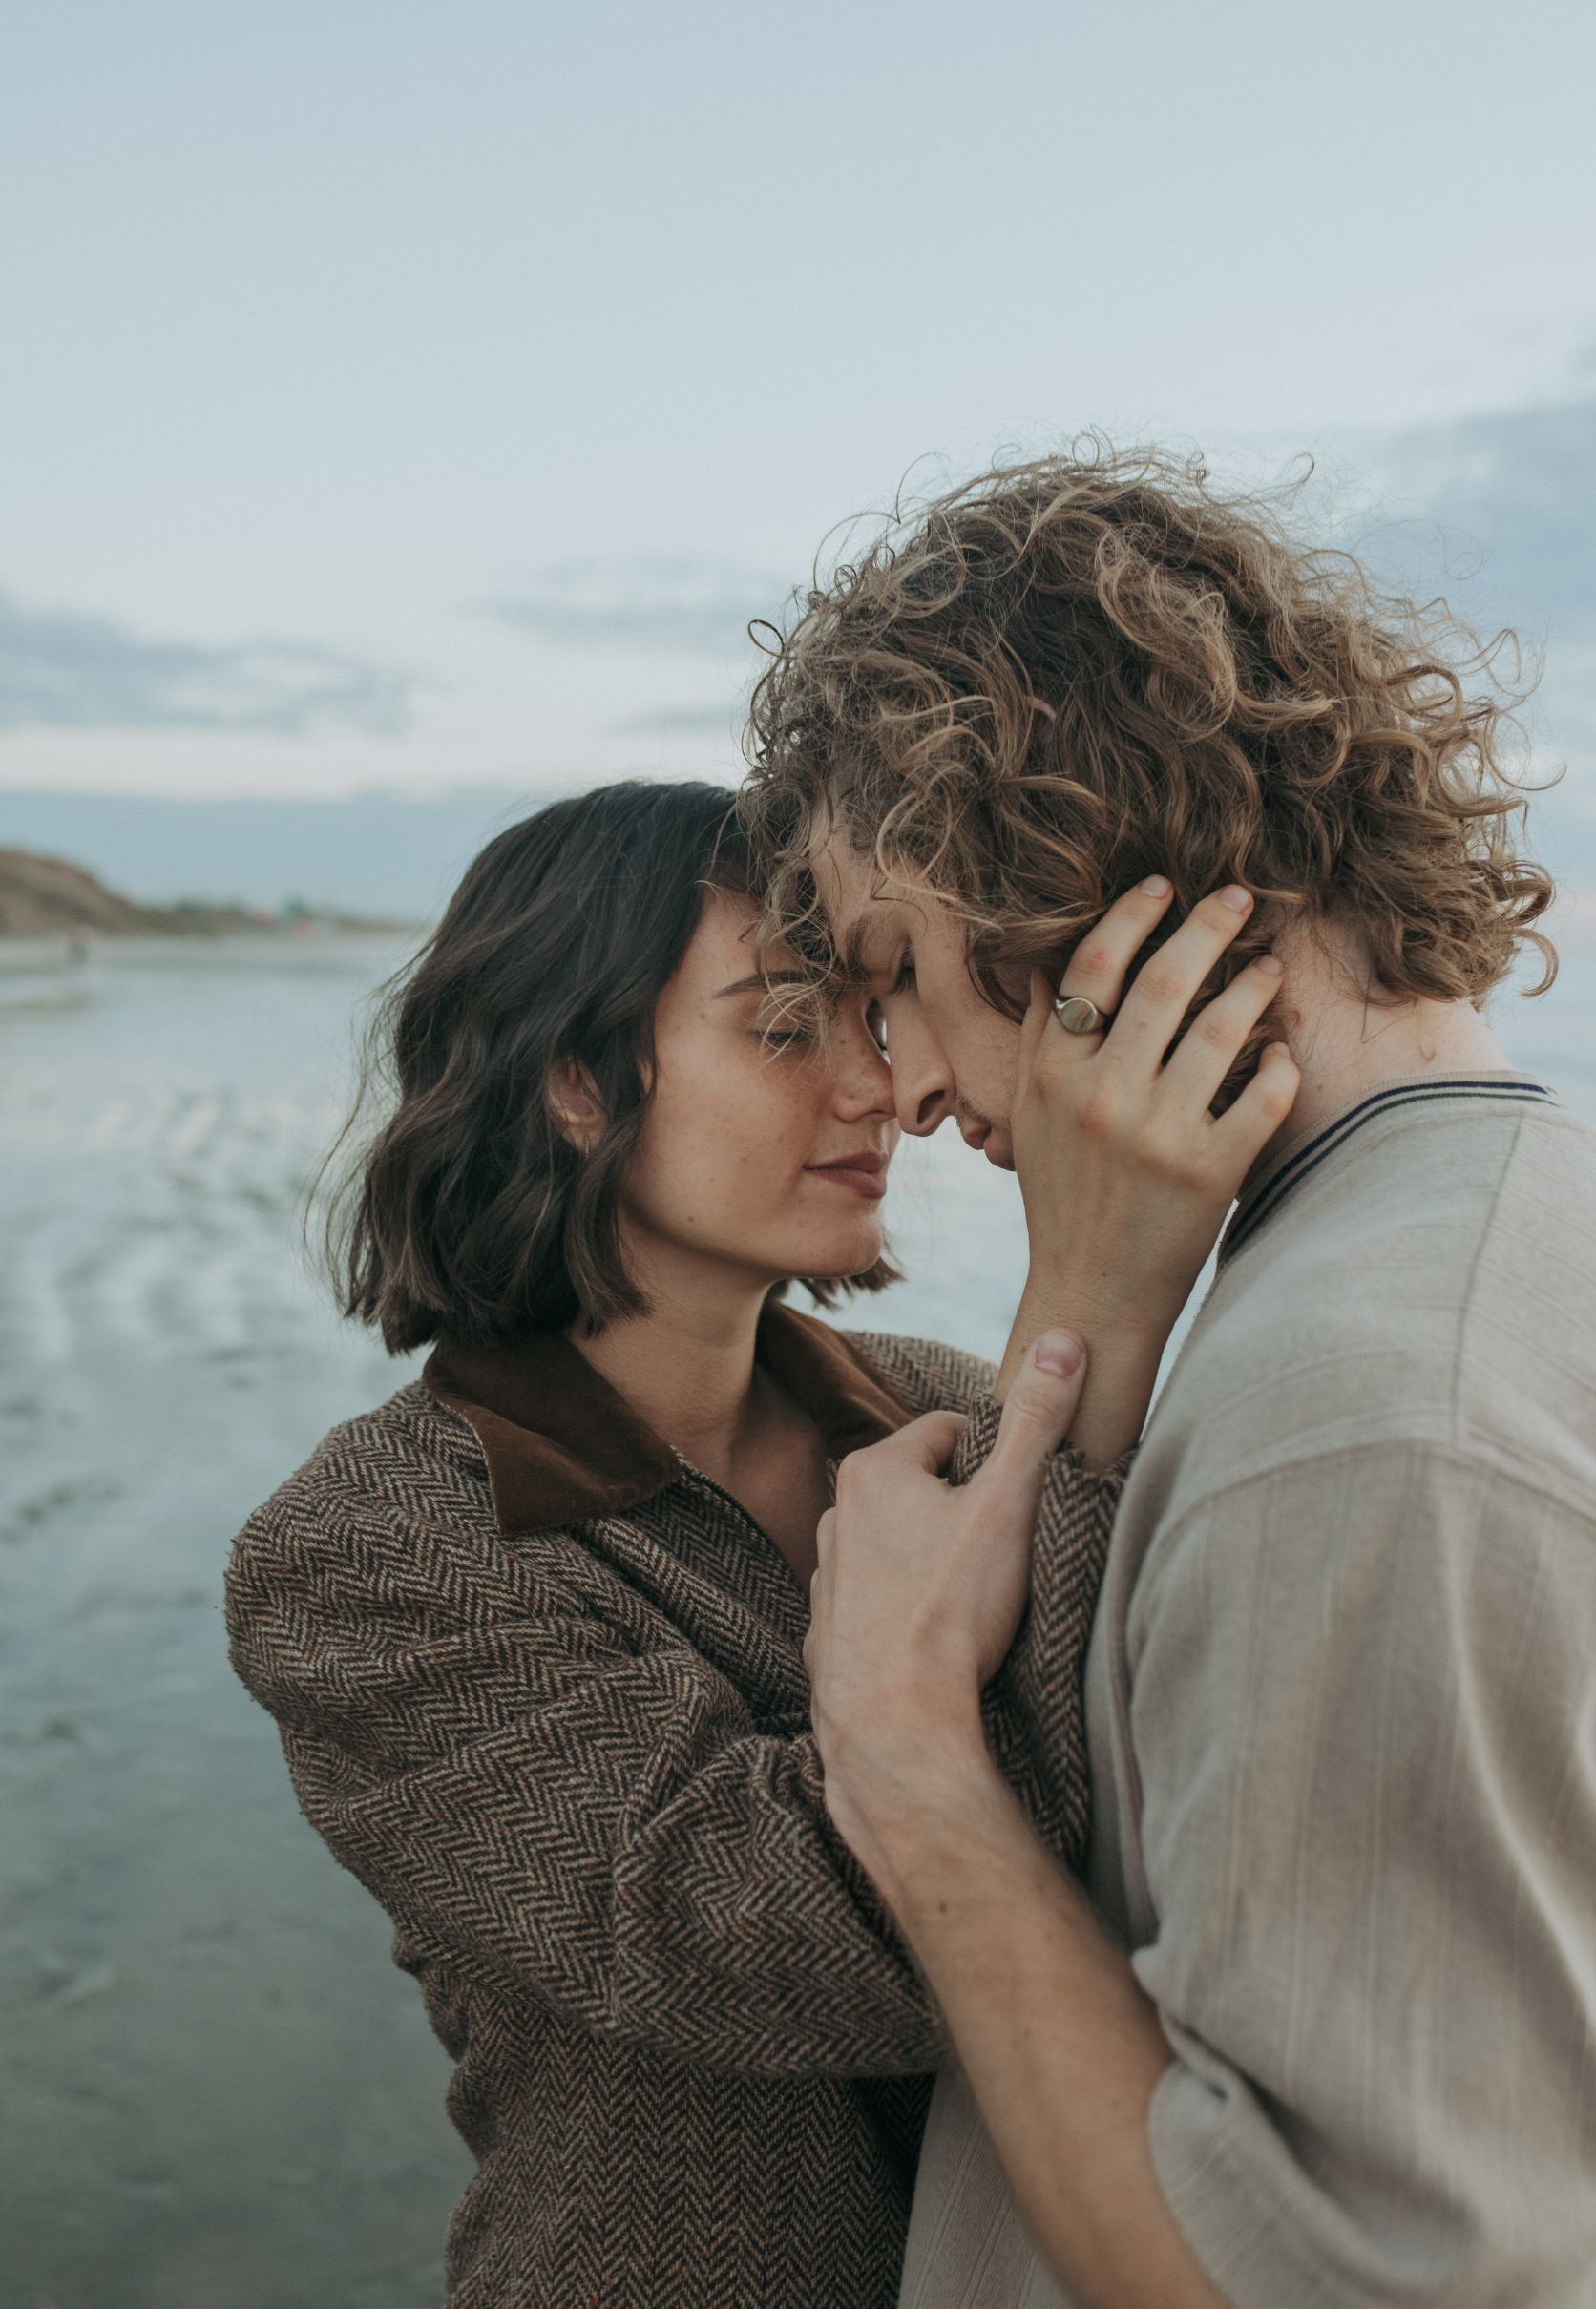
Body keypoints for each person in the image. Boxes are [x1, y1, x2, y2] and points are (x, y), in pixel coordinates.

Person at [223, 778, 1286, 2309]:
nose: (879, 1089)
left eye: (875, 1017)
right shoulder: (372, 1551)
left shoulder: (942, 1409)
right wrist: (1091, 1298)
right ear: (574, 1084)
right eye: (788, 1029)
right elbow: (793, 1947)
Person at [741, 447, 1596, 2308]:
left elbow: (1313, 2279)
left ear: (1064, 855)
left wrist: (902, 1759)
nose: (896, 1083)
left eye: (894, 974)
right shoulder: (1493, 1225)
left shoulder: (1359, 1409)